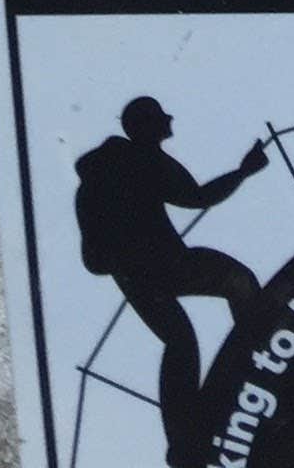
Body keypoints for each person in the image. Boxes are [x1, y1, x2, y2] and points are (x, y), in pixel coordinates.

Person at [76, 96, 271, 462]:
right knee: (238, 281)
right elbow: (197, 197)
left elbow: (94, 259)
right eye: (162, 117)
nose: (171, 119)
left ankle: (184, 443)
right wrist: (244, 172)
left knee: (179, 341)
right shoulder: (142, 160)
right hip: (166, 264)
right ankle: (262, 362)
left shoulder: (95, 177)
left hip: (135, 278)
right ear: (147, 127)